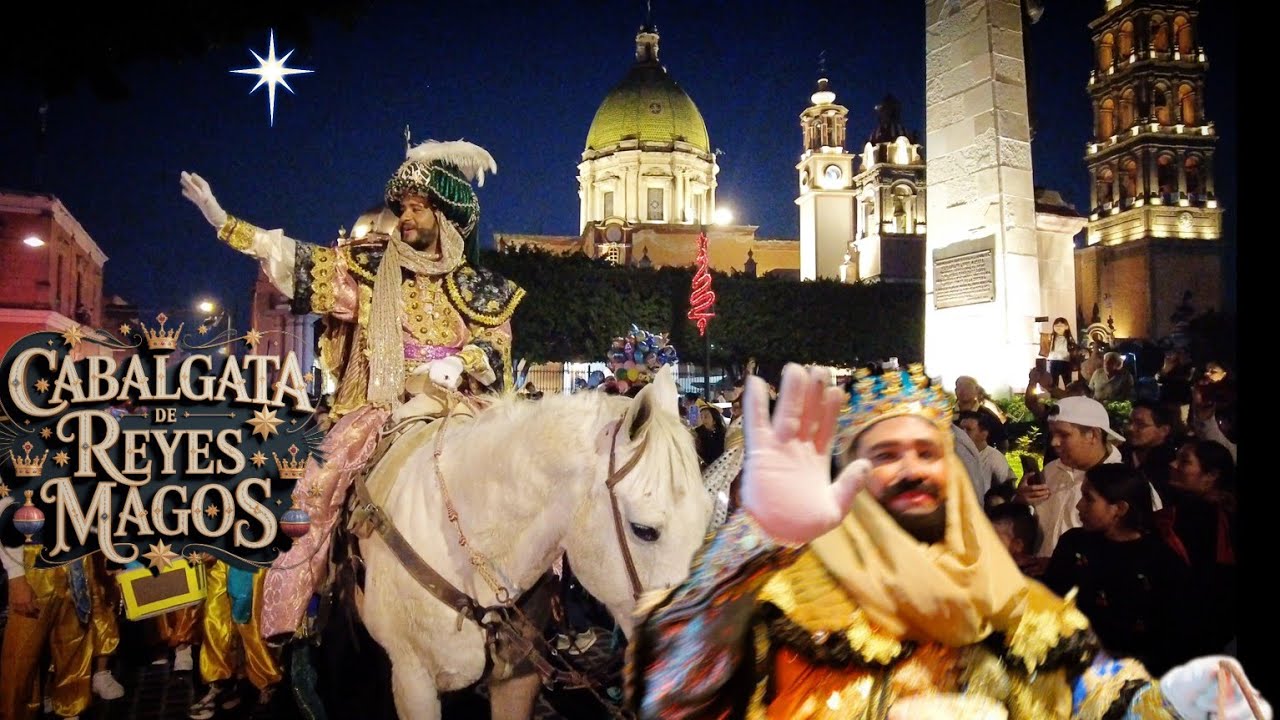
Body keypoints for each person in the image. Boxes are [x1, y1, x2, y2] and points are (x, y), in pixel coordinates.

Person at [626, 363, 1268, 719]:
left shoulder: (1017, 609)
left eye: (925, 451)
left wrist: (1176, 702)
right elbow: (671, 698)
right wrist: (747, 542)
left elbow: (1098, 698)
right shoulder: (789, 601)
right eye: (884, 454)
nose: (911, 468)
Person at [179, 139, 524, 640]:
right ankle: (302, 606)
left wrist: (462, 360)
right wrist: (220, 218)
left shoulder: (483, 289)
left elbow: (496, 344)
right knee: (317, 484)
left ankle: (541, 605)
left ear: (447, 217)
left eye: (417, 208)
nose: (404, 218)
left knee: (526, 474)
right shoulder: (365, 277)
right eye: (402, 208)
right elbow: (290, 258)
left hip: (461, 403)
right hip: (386, 405)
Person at [1043, 464, 1192, 676]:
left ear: (1120, 509)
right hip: (1069, 668)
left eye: (1089, 498)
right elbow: (1051, 600)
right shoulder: (1074, 544)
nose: (1079, 506)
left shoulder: (1161, 561)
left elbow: (1172, 635)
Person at [1039, 317, 1080, 389]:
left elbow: (1074, 351)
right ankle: (1054, 398)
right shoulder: (1050, 338)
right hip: (1053, 362)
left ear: (1066, 327)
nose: (1058, 327)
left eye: (1060, 325)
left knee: (1068, 384)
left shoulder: (1069, 340)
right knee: (1053, 383)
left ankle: (1068, 397)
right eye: (1056, 325)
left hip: (1065, 362)